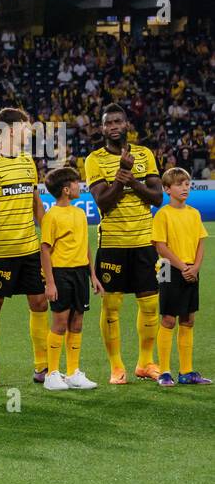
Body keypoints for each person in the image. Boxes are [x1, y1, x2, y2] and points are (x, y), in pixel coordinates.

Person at [84, 103, 164, 384]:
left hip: (145, 242)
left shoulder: (145, 155)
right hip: (113, 244)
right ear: (102, 128)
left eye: (118, 121)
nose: (114, 126)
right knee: (111, 307)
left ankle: (145, 362)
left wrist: (132, 180)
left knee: (151, 304)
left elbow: (157, 197)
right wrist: (121, 176)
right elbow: (103, 202)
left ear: (127, 124)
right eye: (108, 123)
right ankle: (116, 367)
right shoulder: (94, 160)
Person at [0, 107, 49, 387]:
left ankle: (42, 367)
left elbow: (35, 202)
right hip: (0, 252)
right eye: (26, 128)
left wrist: (49, 234)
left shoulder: (29, 162)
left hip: (29, 249)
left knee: (40, 303)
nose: (29, 133)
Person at [39, 167, 101, 391]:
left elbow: (85, 246)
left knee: (77, 322)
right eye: (76, 182)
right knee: (60, 323)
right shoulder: (52, 216)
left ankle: (73, 372)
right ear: (66, 189)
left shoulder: (79, 214)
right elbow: (45, 250)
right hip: (61, 274)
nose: (79, 185)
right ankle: (52, 373)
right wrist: (50, 282)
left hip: (80, 274)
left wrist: (92, 275)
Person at [152, 167, 209, 386]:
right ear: (167, 189)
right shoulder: (163, 214)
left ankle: (186, 371)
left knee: (188, 318)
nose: (185, 187)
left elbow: (201, 242)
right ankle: (164, 371)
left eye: (186, 183)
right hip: (168, 268)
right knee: (168, 318)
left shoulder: (194, 213)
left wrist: (195, 267)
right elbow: (160, 246)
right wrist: (183, 267)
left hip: (191, 269)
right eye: (179, 184)